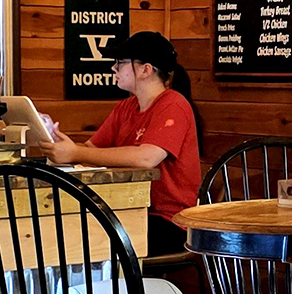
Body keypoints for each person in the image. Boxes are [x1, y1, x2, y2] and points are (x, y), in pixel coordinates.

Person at [40, 31, 201, 256]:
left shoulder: (174, 105)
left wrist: (75, 153)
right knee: (67, 232)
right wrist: (57, 142)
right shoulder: (126, 107)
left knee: (82, 240)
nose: (113, 68)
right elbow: (91, 150)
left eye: (121, 62)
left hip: (168, 221)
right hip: (128, 210)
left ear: (146, 69)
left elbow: (147, 158)